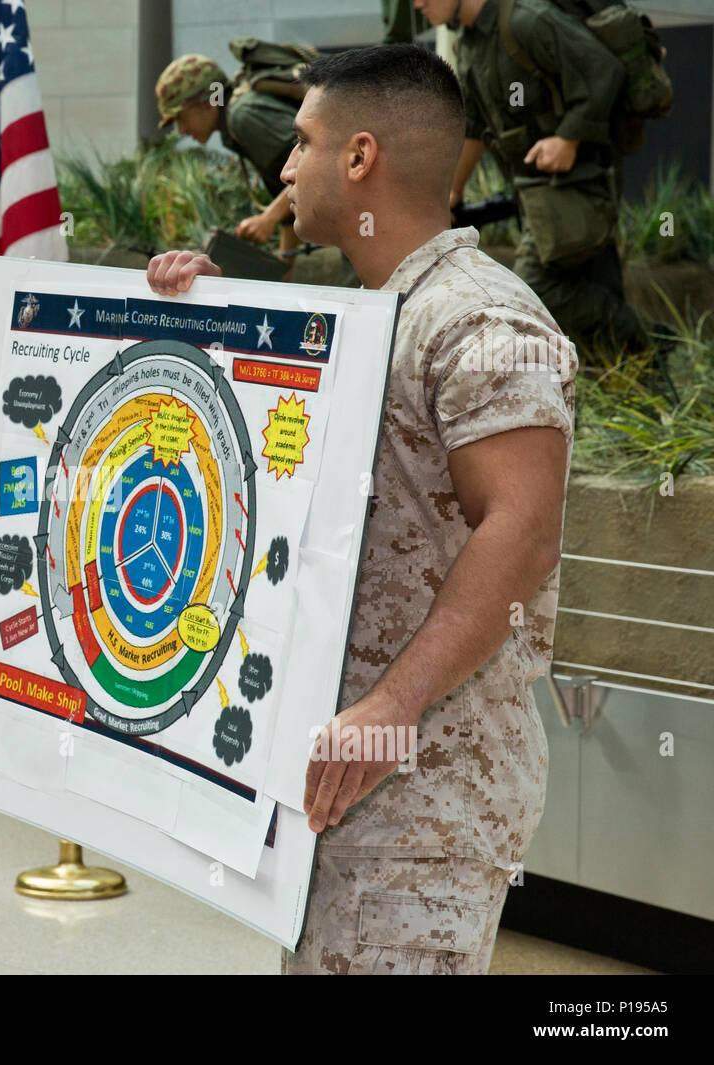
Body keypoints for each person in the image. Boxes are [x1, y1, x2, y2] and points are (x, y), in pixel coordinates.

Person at [148, 44, 576, 974]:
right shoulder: (377, 309)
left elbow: (524, 527)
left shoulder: (479, 318)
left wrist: (389, 705)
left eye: (302, 141)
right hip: (353, 788)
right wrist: (210, 321)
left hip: (424, 795)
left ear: (360, 158)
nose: (285, 165)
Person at [418, 0, 651, 354]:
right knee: (589, 279)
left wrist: (568, 138)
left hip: (578, 186)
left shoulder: (527, 20)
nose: (418, 4)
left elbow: (603, 69)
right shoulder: (469, 43)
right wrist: (451, 192)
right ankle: (635, 366)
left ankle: (643, 339)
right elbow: (475, 129)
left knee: (527, 293)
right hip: (537, 197)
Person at [155, 53, 304, 256]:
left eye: (180, 117)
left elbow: (314, 162)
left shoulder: (244, 116)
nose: (181, 130)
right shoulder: (237, 121)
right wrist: (283, 279)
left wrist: (268, 218)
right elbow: (293, 200)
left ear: (207, 102)